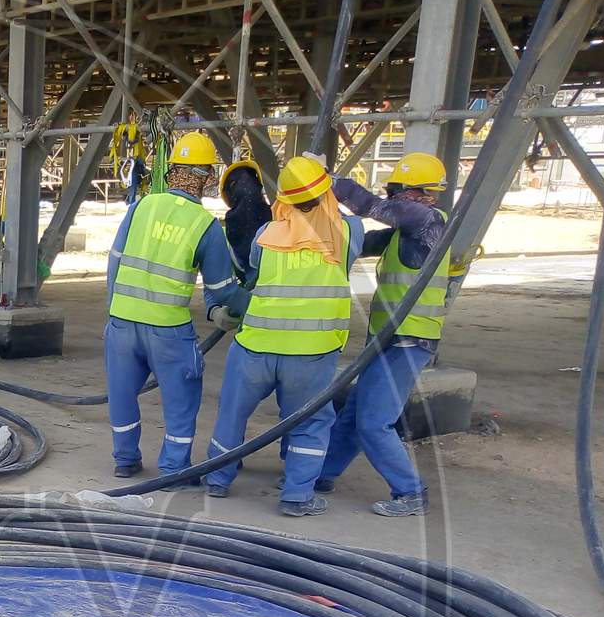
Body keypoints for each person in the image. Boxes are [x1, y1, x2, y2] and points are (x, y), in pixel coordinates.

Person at [203, 154, 365, 518]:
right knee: (309, 423)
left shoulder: (265, 234)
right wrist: (326, 174)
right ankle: (296, 496)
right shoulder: (349, 231)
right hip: (311, 353)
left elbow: (255, 274)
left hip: (255, 346)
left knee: (232, 413)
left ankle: (217, 479)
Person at [104, 131, 248, 479]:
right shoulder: (206, 226)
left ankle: (125, 460)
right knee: (182, 400)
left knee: (122, 395)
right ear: (208, 176)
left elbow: (115, 260)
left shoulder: (141, 207)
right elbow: (223, 289)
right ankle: (173, 470)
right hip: (168, 331)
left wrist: (116, 310)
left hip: (122, 324)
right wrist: (256, 302)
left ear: (172, 170)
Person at [314, 152, 451, 517]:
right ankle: (322, 473)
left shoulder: (426, 220)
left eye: (396, 191)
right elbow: (356, 238)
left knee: (375, 421)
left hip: (410, 341)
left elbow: (370, 206)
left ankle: (410, 492)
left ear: (420, 193)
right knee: (356, 411)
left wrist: (326, 180)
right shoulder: (403, 232)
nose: (391, 198)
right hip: (390, 340)